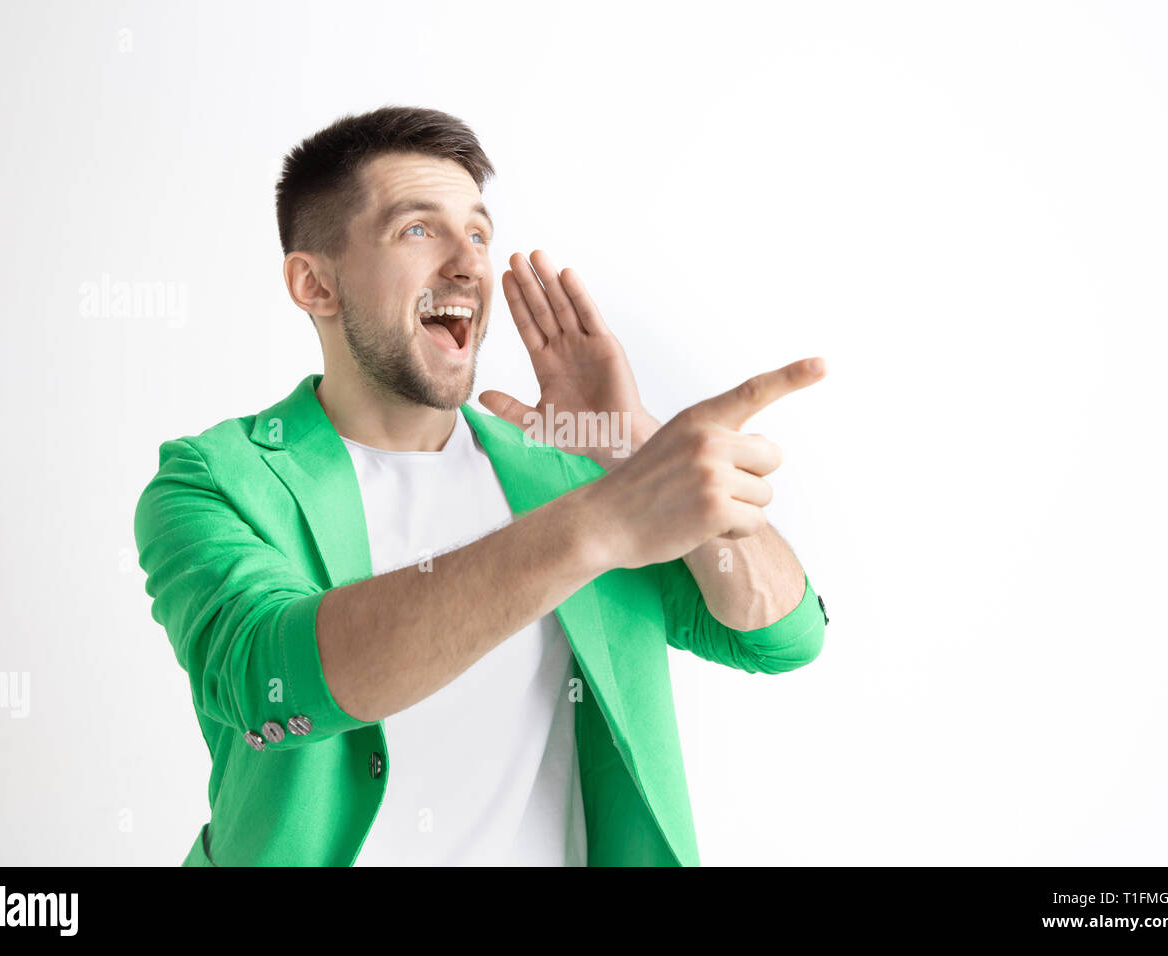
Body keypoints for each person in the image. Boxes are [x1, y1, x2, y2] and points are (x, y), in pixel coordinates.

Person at [133, 105, 829, 867]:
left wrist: (630, 450)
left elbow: (779, 636)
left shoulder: (568, 472)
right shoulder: (214, 480)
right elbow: (272, 684)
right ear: (315, 284)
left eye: (477, 232)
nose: (467, 263)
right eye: (417, 230)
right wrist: (601, 520)